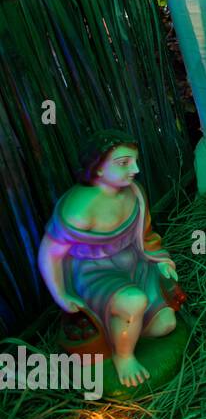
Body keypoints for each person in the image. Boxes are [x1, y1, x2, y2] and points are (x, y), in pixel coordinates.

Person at [39, 131, 183, 388]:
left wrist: (160, 260)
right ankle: (122, 355)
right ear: (98, 169)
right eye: (124, 163)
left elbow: (145, 235)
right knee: (134, 300)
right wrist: (60, 294)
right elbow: (50, 254)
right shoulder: (79, 211)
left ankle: (120, 330)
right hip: (95, 273)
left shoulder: (134, 193)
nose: (136, 169)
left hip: (133, 265)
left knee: (165, 324)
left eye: (135, 161)